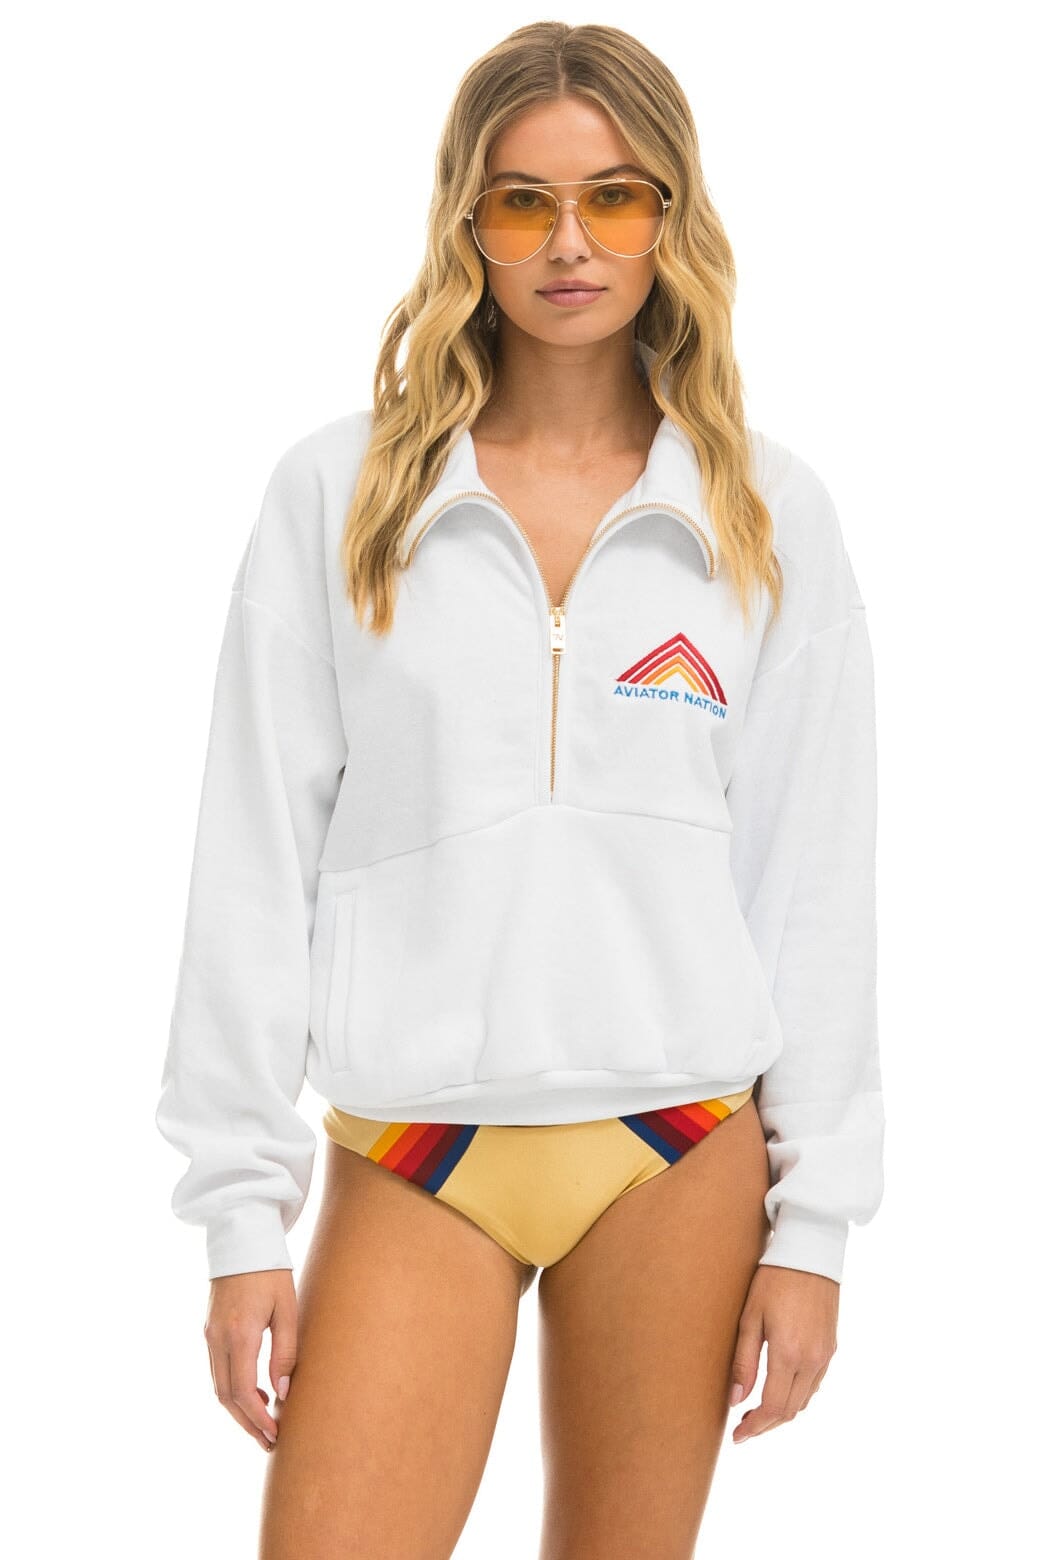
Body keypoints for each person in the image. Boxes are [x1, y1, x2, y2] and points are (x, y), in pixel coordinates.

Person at [154, 20, 884, 1559]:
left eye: (614, 199)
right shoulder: (341, 496)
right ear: (463, 222)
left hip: (682, 1142)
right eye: (522, 203)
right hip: (419, 1142)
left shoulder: (766, 515)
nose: (569, 245)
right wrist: (238, 1216)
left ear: (670, 217)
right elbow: (252, 859)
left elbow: (813, 885)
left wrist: (814, 1229)